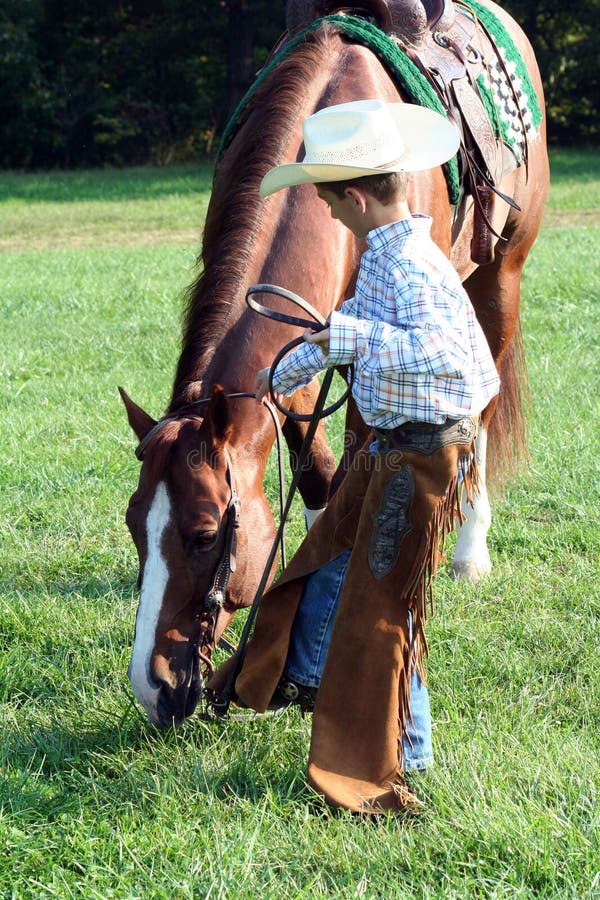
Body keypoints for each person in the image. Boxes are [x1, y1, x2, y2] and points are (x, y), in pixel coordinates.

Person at [208, 98, 500, 813]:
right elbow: (358, 331)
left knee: (385, 605)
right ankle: (302, 673)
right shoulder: (386, 255)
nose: (330, 214)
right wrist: (300, 364)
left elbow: (455, 363)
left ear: (360, 196)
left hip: (424, 457)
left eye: (332, 201)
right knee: (323, 560)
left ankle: (410, 753)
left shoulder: (415, 270)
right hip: (392, 448)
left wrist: (351, 342)